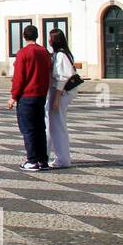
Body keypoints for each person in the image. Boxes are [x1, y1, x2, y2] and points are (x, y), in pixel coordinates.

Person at [7, 24, 52, 171]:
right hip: (41, 95)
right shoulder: (44, 52)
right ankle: (43, 160)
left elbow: (19, 77)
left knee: (28, 129)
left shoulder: (23, 53)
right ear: (37, 35)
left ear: (24, 36)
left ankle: (32, 160)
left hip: (27, 96)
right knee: (40, 128)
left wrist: (13, 96)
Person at [46, 29, 76, 169]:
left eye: (50, 38)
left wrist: (57, 99)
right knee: (53, 124)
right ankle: (47, 154)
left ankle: (63, 159)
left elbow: (63, 77)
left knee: (57, 125)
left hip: (60, 93)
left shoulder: (61, 55)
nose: (49, 41)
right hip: (59, 92)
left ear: (55, 40)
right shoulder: (64, 54)